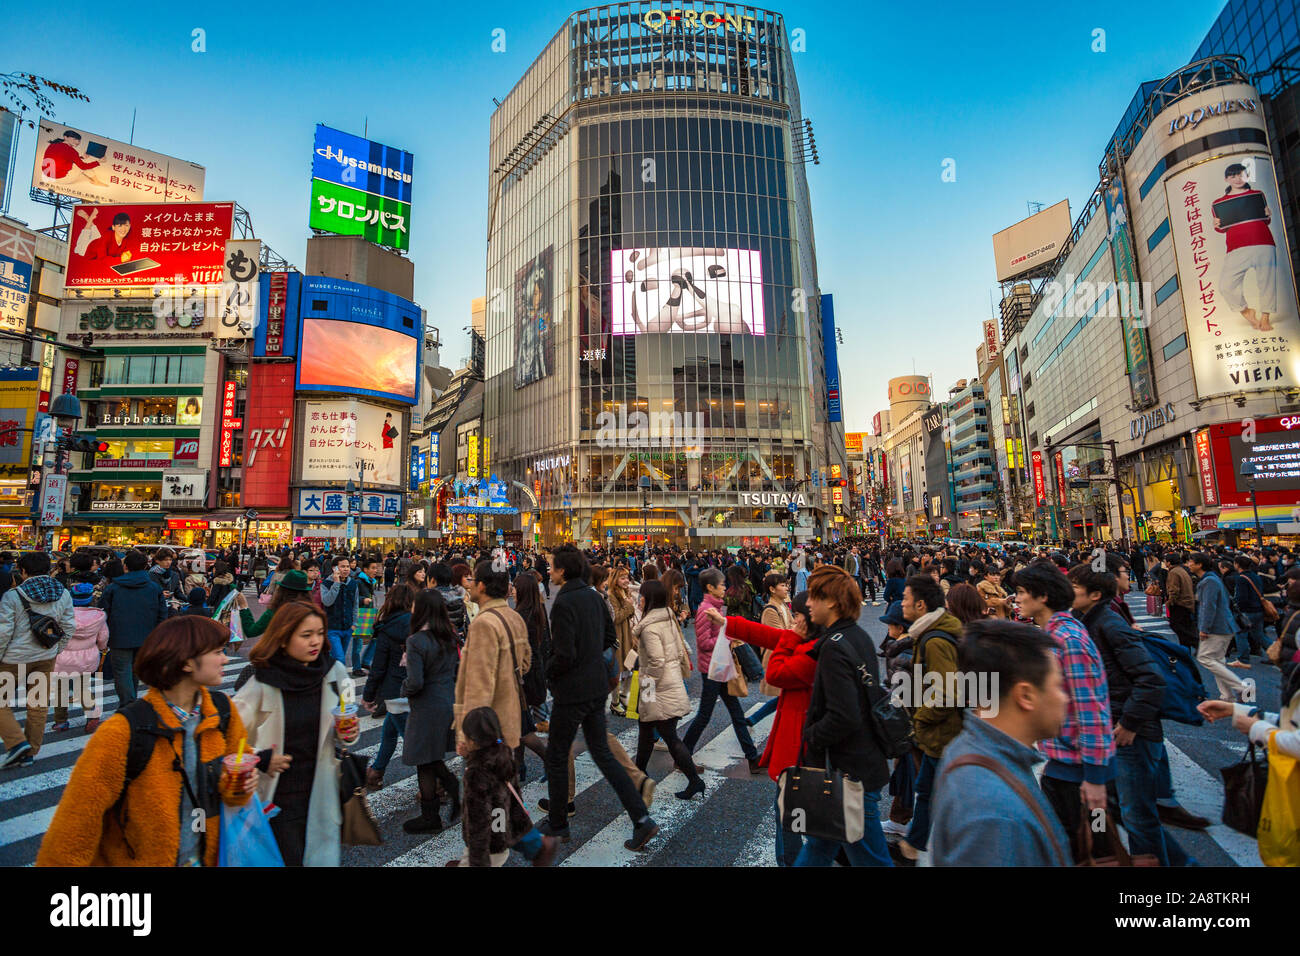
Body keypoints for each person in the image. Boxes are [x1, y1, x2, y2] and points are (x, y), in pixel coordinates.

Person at [36, 616, 252, 866]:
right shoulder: (123, 731)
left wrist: (239, 785)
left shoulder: (222, 712)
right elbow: (75, 826)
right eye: (217, 652)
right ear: (186, 662)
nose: (225, 658)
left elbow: (232, 791)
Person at [1067, 562, 1193, 867]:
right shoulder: (1086, 621)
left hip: (1131, 733)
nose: (1068, 592)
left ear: (1095, 594)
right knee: (1124, 810)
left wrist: (1128, 723)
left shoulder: (1108, 624)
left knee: (1138, 816)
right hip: (1114, 728)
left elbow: (1151, 679)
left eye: (1074, 587)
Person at [541, 545, 659, 850]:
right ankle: (641, 819)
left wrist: (548, 671)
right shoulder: (595, 597)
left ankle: (558, 824)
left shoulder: (565, 602)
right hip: (596, 687)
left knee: (556, 755)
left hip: (571, 690)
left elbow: (564, 654)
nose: (549, 571)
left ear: (563, 570)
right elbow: (610, 638)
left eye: (552, 566)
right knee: (603, 754)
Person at [929, 619, 1072, 866]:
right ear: (1025, 695)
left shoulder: (969, 748)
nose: (1065, 698)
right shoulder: (994, 814)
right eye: (1058, 685)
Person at [233, 602, 358, 867]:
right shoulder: (261, 681)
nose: (315, 642)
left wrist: (350, 732)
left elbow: (347, 722)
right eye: (306, 635)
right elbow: (228, 736)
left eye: (320, 633)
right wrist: (260, 758)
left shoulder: (335, 672)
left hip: (321, 789)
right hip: (277, 795)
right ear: (283, 637)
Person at [1013, 561, 1115, 862]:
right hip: (1062, 765)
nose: (1016, 598)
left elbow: (1091, 711)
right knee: (1072, 848)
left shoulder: (1068, 641)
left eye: (1021, 592)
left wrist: (1095, 779)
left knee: (1093, 851)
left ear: (1042, 596)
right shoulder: (1054, 635)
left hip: (1080, 773)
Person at [708, 591, 819, 866]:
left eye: (797, 618)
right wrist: (728, 622)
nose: (792, 623)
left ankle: (790, 861)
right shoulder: (810, 642)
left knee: (790, 811)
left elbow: (776, 673)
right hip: (800, 741)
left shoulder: (812, 651)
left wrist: (791, 636)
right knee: (789, 809)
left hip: (800, 745)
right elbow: (767, 635)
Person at [792, 565, 892, 866]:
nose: (808, 604)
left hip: (849, 773)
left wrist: (811, 734)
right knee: (819, 847)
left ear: (832, 601)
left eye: (813, 596)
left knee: (870, 859)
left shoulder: (834, 648)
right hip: (854, 767)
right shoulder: (856, 636)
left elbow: (844, 715)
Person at [896, 573, 965, 863]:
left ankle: (926, 847)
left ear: (921, 605)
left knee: (940, 794)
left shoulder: (934, 640)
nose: (902, 603)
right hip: (943, 732)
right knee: (926, 791)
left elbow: (948, 693)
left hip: (944, 732)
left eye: (906, 598)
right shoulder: (929, 632)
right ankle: (914, 845)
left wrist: (920, 719)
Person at [451, 706, 557, 867]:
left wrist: (477, 858)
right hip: (500, 829)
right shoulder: (503, 752)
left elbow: (477, 820)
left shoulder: (476, 774)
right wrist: (469, 754)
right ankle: (539, 845)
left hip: (488, 847)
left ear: (472, 740)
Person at [681, 567, 762, 774]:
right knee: (705, 715)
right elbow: (704, 642)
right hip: (711, 669)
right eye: (722, 585)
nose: (725, 588)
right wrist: (726, 636)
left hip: (721, 666)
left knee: (735, 712)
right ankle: (683, 756)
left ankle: (752, 757)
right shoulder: (705, 610)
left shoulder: (715, 607)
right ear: (710, 587)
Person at [0, 552, 78, 768]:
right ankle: (30, 752)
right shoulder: (62, 593)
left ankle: (16, 744)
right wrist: (56, 649)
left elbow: (4, 632)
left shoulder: (13, 596)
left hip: (13, 658)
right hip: (46, 655)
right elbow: (70, 626)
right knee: (38, 703)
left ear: (23, 571)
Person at [631, 580, 705, 798]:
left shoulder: (650, 626)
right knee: (645, 730)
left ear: (648, 599)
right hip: (669, 682)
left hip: (655, 686)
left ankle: (694, 780)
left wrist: (646, 681)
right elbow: (679, 651)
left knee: (668, 736)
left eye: (642, 596)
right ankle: (639, 774)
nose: (640, 599)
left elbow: (655, 660)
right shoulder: (668, 617)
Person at [399, 588, 462, 832]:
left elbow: (415, 682)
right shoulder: (449, 635)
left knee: (423, 759)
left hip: (426, 706)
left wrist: (403, 689)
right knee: (430, 757)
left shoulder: (416, 641)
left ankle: (432, 814)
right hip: (446, 701)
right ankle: (447, 792)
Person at [98, 550, 168, 712]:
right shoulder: (154, 588)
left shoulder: (113, 588)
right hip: (147, 636)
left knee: (122, 671)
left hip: (119, 636)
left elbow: (102, 612)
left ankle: (128, 704)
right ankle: (132, 701)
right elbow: (162, 613)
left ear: (126, 567)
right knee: (136, 670)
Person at [361, 584, 415, 790]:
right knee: (390, 731)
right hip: (411, 685)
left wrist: (368, 695)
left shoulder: (387, 627)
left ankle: (436, 781)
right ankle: (376, 771)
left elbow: (378, 668)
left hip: (393, 690)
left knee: (410, 741)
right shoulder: (417, 624)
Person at [49, 576, 109, 734]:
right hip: (87, 658)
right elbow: (103, 638)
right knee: (81, 687)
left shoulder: (62, 616)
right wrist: (102, 648)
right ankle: (92, 713)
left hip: (62, 658)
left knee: (60, 690)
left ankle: (60, 721)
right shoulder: (98, 617)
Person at [1188, 552, 1250, 702]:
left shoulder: (1209, 581)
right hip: (1223, 625)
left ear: (1199, 564)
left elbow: (1209, 606)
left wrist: (1204, 628)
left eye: (1191, 562)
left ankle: (1241, 687)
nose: (1188, 564)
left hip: (1217, 626)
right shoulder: (1212, 578)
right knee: (1217, 660)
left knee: (1204, 658)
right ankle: (1227, 695)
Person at [320, 556, 359, 672]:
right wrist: (336, 584)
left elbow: (355, 604)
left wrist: (354, 624)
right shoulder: (326, 583)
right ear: (334, 568)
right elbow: (327, 601)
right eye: (342, 567)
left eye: (347, 566)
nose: (346, 569)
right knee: (340, 658)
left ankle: (329, 679)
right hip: (332, 628)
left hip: (347, 627)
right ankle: (339, 684)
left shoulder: (353, 583)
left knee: (334, 658)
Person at [1164, 551, 1197, 650]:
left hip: (1179, 604)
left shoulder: (1173, 572)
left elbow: (1174, 590)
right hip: (1187, 603)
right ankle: (1186, 649)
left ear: (1169, 562)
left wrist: (1169, 602)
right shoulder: (1182, 570)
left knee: (1179, 628)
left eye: (1165, 561)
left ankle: (1195, 644)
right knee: (1185, 629)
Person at [432, 562, 468, 644]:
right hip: (456, 640)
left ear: (432, 580)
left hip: (437, 641)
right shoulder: (459, 596)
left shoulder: (432, 597)